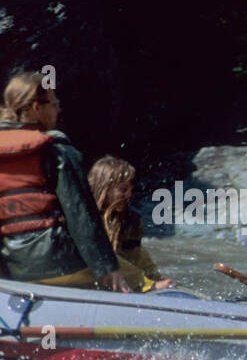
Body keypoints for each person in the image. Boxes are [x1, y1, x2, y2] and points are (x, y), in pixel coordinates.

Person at [0, 72, 130, 291]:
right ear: (35, 108)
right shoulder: (57, 151)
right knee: (136, 275)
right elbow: (82, 216)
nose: (59, 110)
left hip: (11, 269)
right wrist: (108, 267)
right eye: (54, 103)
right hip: (59, 262)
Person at [87, 156, 175, 291]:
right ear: (103, 188)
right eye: (122, 190)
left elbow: (139, 256)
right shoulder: (86, 220)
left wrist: (156, 279)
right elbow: (99, 255)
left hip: (124, 279)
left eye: (130, 189)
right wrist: (147, 285)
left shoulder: (130, 220)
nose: (128, 195)